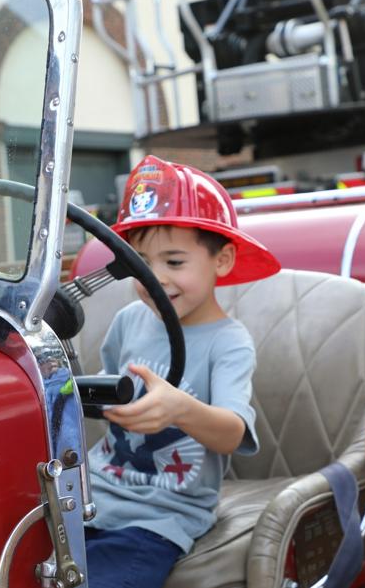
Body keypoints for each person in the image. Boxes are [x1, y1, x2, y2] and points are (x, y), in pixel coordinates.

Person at [83, 155, 281, 588]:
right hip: (90, 496)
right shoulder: (128, 321)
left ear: (222, 260)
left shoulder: (228, 342)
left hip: (160, 515)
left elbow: (232, 432)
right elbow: (104, 392)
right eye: (140, 263)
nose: (155, 279)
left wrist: (179, 409)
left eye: (174, 263)